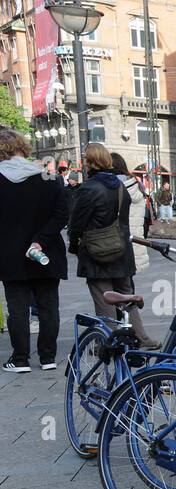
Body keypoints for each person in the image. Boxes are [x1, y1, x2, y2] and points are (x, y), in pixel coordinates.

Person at [1, 128, 68, 372]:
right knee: (49, 306)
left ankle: (20, 360)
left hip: (10, 255)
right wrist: (40, 240)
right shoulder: (47, 177)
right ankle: (48, 358)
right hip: (46, 252)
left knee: (17, 308)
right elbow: (62, 213)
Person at [68, 143, 141, 353]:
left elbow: (76, 224)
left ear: (90, 163)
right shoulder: (120, 187)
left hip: (97, 251)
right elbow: (124, 221)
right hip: (122, 250)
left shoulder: (89, 188)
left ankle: (108, 342)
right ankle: (140, 337)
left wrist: (74, 246)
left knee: (104, 298)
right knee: (127, 297)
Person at [112, 152, 160, 348]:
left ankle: (121, 336)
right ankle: (139, 335)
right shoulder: (136, 185)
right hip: (134, 244)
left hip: (116, 244)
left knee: (115, 293)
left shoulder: (115, 188)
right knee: (127, 291)